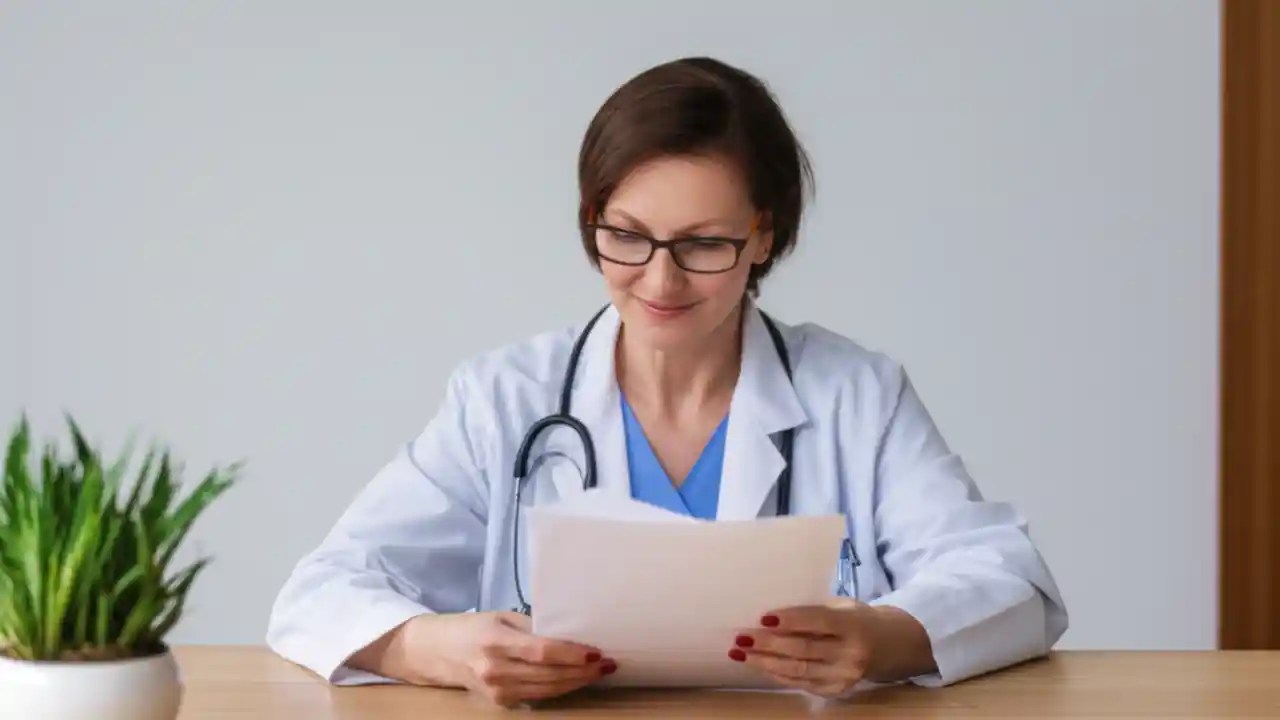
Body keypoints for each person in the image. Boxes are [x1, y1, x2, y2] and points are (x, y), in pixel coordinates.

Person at [266, 56, 1067, 706]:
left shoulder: (855, 395)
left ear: (764, 234)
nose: (660, 280)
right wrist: (440, 648)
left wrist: (883, 639)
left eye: (702, 244)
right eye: (627, 237)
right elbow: (320, 591)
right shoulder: (505, 399)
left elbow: (1014, 585)